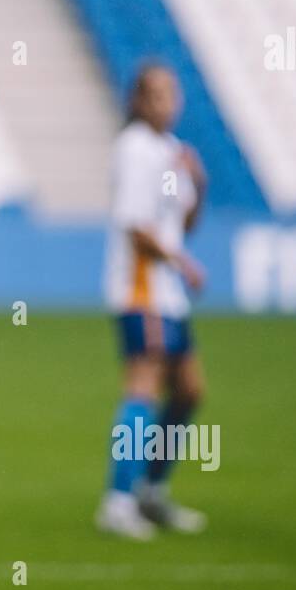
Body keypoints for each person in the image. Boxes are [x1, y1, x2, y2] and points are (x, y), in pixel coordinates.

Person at [95, 62, 209, 540]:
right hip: (140, 288)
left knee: (188, 391)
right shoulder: (135, 149)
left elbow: (178, 225)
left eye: (172, 92)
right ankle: (118, 500)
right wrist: (181, 262)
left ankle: (151, 490)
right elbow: (136, 226)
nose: (168, 102)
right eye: (158, 94)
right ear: (138, 101)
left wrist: (198, 186)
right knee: (142, 384)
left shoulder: (171, 152)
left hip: (168, 293)